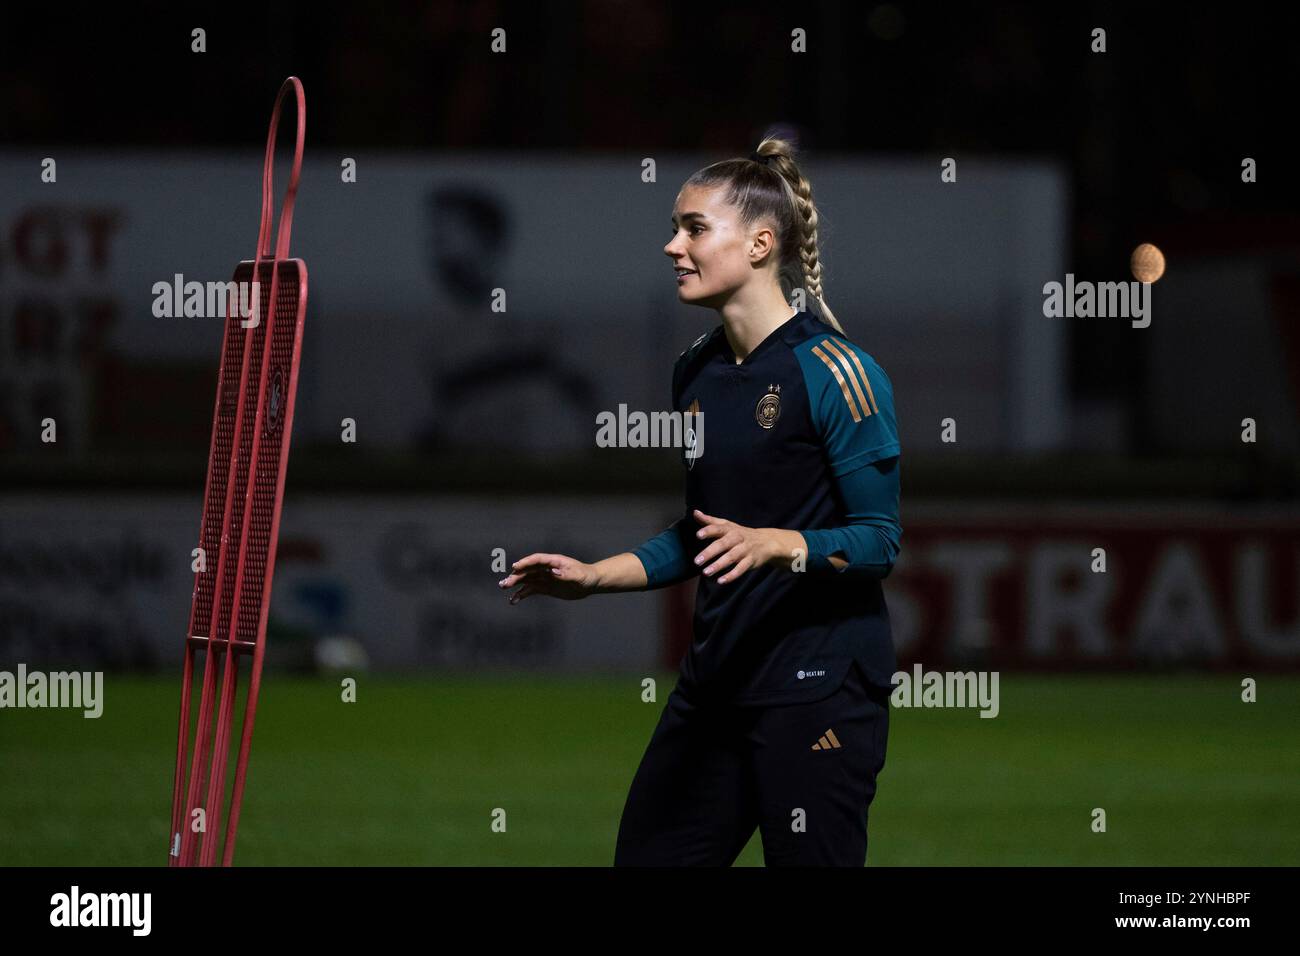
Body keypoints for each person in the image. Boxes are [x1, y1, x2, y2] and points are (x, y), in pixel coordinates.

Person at [498, 135, 902, 866]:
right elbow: (700, 533)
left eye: (693, 228)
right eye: (675, 227)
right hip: (717, 683)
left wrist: (781, 544)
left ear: (759, 244)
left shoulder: (840, 372)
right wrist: (596, 576)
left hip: (818, 690)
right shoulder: (696, 373)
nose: (670, 246)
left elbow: (879, 541)